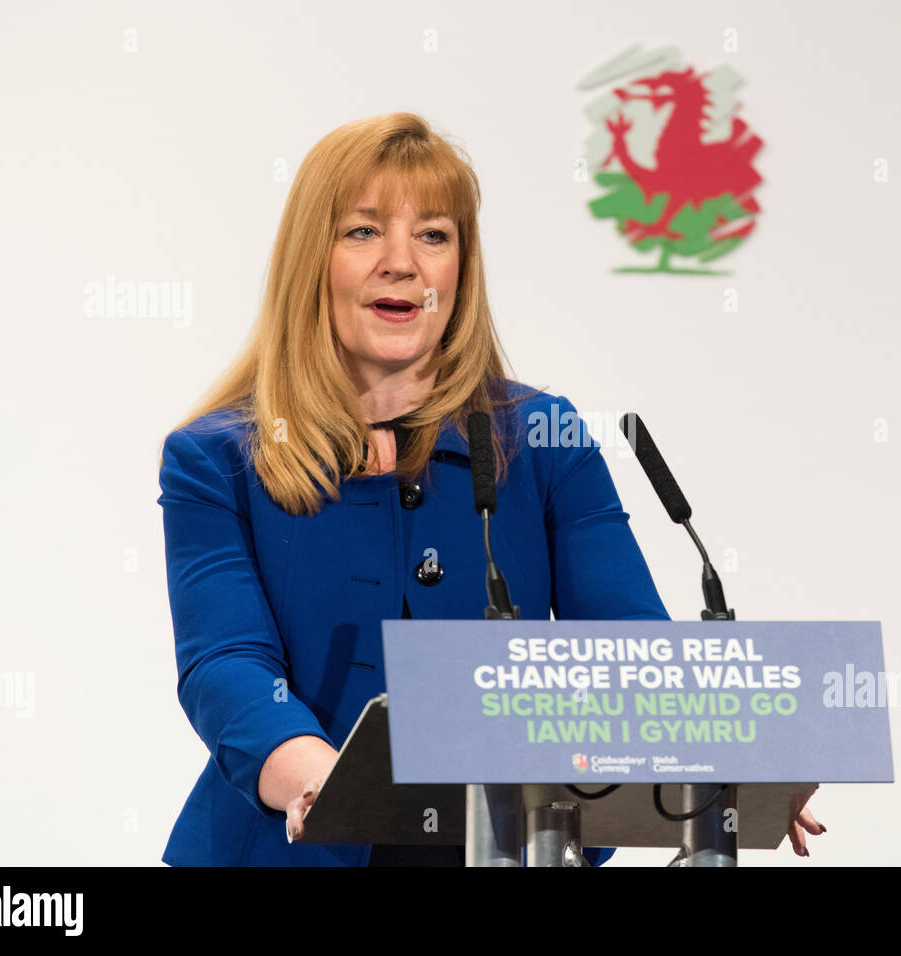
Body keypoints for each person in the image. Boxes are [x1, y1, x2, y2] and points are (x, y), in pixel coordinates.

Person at [156, 112, 825, 866]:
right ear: (313, 257)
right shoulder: (215, 459)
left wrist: (733, 758)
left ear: (461, 270)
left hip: (516, 845)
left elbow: (627, 645)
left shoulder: (543, 438)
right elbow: (226, 664)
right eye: (364, 232)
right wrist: (317, 776)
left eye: (433, 235)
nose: (402, 263)